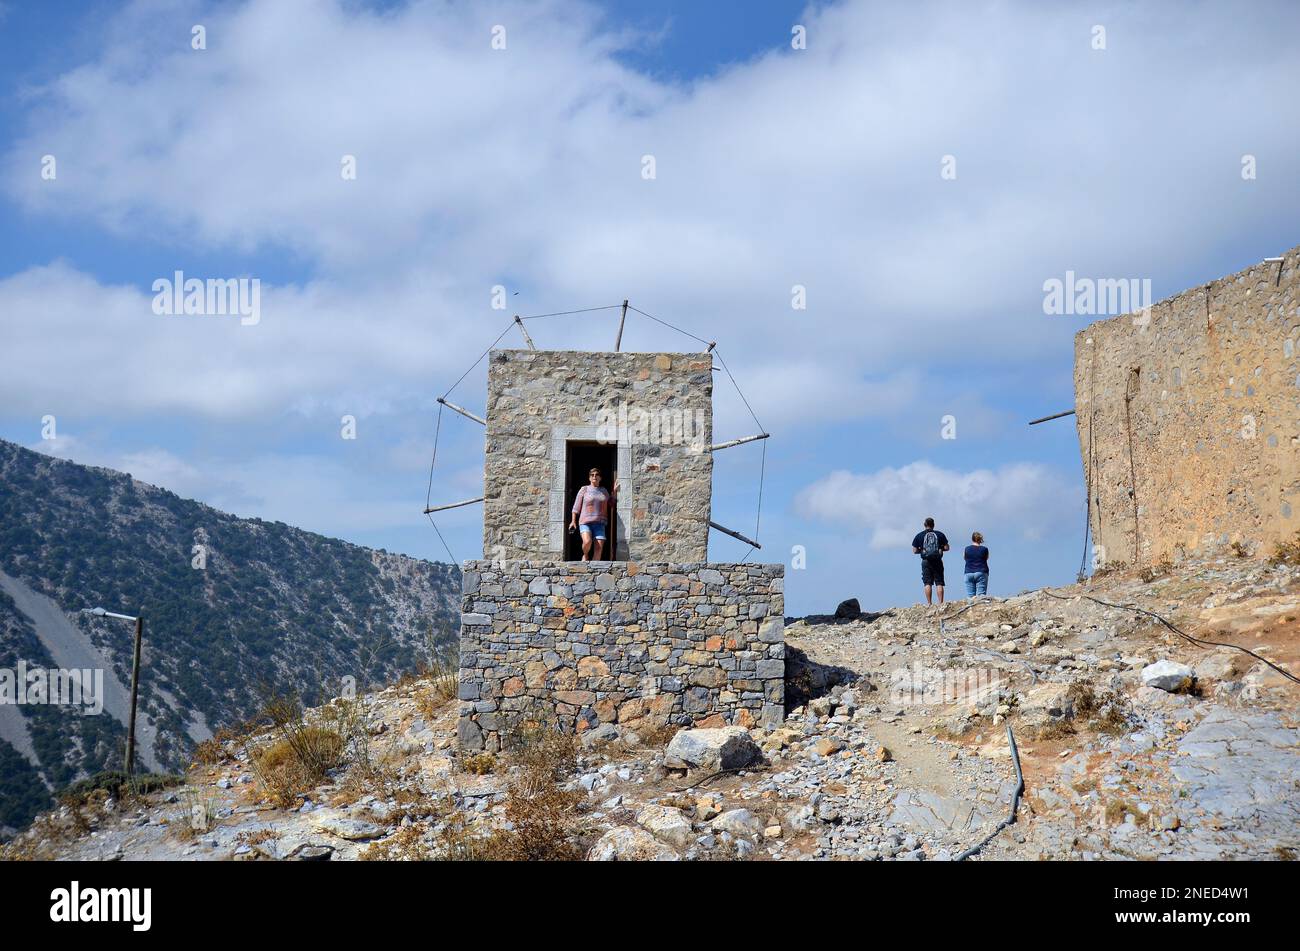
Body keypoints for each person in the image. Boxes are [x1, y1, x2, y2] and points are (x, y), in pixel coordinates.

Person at [569, 467, 618, 561]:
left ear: (600, 478)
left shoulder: (603, 491)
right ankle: (585, 554)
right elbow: (576, 506)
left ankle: (594, 570)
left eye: (597, 475)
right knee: (587, 542)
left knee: (599, 547)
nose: (594, 477)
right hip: (585, 522)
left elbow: (611, 504)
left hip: (600, 523)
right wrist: (573, 521)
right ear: (589, 478)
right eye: (592, 475)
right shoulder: (584, 489)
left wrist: (614, 492)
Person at [910, 517, 949, 605]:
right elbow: (947, 547)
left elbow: (914, 550)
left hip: (926, 560)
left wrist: (923, 550)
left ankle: (929, 603)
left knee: (927, 583)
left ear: (924, 525)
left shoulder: (919, 535)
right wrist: (939, 548)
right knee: (939, 582)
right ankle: (941, 603)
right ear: (933, 525)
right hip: (937, 560)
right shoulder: (940, 534)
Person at [964, 531, 990, 597]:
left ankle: (971, 607)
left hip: (968, 572)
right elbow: (986, 558)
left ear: (972, 539)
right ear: (980, 539)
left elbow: (965, 558)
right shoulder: (984, 549)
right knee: (981, 595)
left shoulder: (967, 549)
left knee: (970, 597)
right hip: (981, 571)